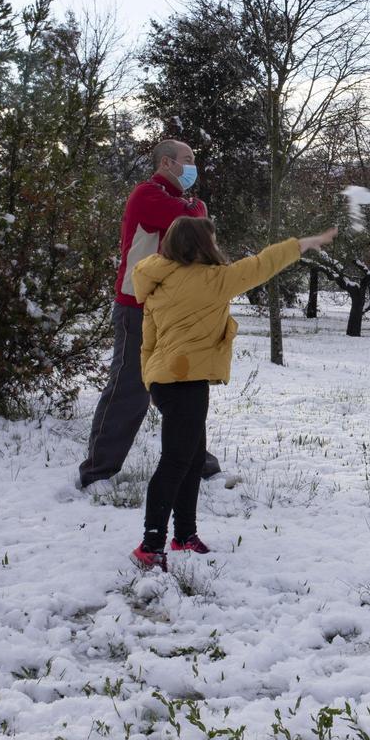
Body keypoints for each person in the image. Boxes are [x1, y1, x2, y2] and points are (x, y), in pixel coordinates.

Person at [128, 217, 339, 571]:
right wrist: (304, 243)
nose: (216, 246)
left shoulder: (159, 281)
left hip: (168, 382)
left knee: (192, 461)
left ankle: (184, 535)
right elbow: (262, 264)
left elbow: (148, 340)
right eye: (211, 240)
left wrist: (152, 381)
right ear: (198, 246)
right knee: (176, 463)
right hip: (187, 383)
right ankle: (151, 545)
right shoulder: (213, 280)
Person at [77, 140, 229, 493]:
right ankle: (97, 473)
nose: (193, 166)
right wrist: (196, 209)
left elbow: (199, 225)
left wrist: (197, 209)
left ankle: (200, 464)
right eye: (188, 160)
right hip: (137, 307)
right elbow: (195, 221)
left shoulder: (177, 201)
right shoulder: (147, 195)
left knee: (185, 388)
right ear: (166, 163)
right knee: (129, 388)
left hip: (173, 311)